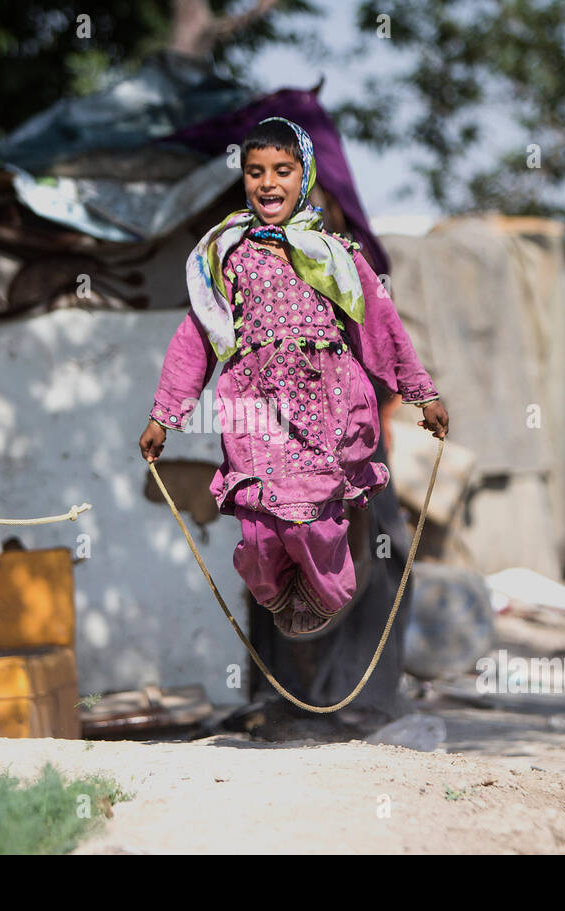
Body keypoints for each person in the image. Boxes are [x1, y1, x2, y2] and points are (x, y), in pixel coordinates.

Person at [140, 116, 448, 638]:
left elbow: (382, 327)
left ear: (303, 176)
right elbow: (195, 339)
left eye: (283, 170)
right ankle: (276, 593)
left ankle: (324, 593)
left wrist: (423, 394)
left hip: (324, 411)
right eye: (255, 171)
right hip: (252, 411)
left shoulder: (340, 258)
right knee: (260, 530)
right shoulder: (227, 258)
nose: (267, 183)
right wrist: (164, 418)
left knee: (309, 520)